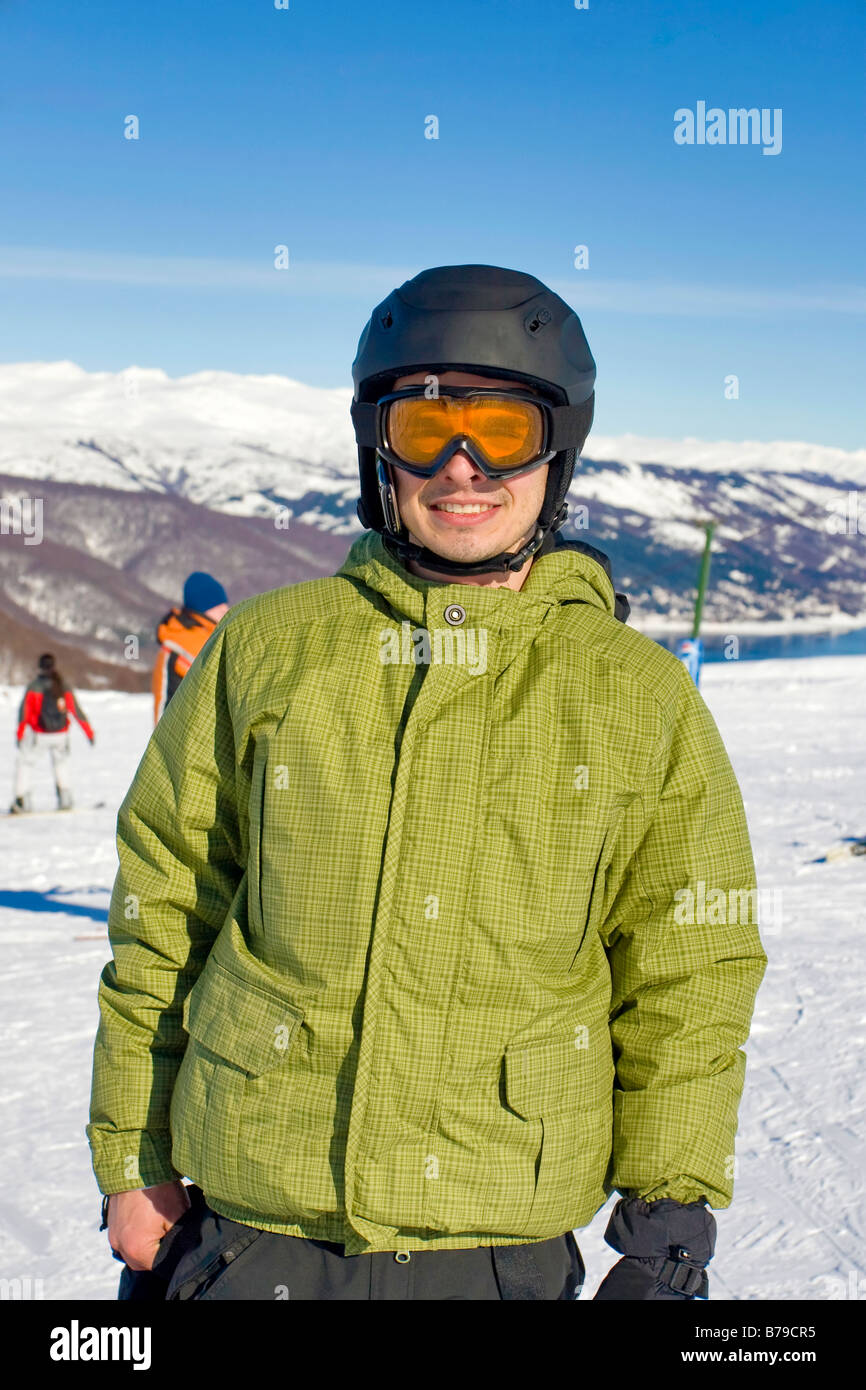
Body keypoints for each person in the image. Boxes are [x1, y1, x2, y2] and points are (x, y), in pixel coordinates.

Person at [88, 264, 768, 1301]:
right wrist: (137, 1163)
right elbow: (166, 910)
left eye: (499, 428)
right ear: (378, 449)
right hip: (249, 1226)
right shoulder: (268, 652)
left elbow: (688, 962)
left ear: (557, 449)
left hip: (497, 1242)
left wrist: (666, 1219)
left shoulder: (634, 696)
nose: (461, 466)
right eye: (423, 426)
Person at [10, 652, 94, 813]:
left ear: (40, 667)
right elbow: (76, 711)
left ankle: (22, 800)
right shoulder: (63, 686)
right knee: (61, 764)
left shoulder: (34, 687)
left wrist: (20, 734)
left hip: (39, 734)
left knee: (25, 763)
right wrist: (89, 732)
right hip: (61, 735)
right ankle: (66, 798)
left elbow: (24, 714)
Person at [151, 572, 229, 725]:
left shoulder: (219, 636)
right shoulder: (174, 645)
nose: (226, 611)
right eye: (220, 609)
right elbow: (163, 703)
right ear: (203, 609)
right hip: (190, 734)